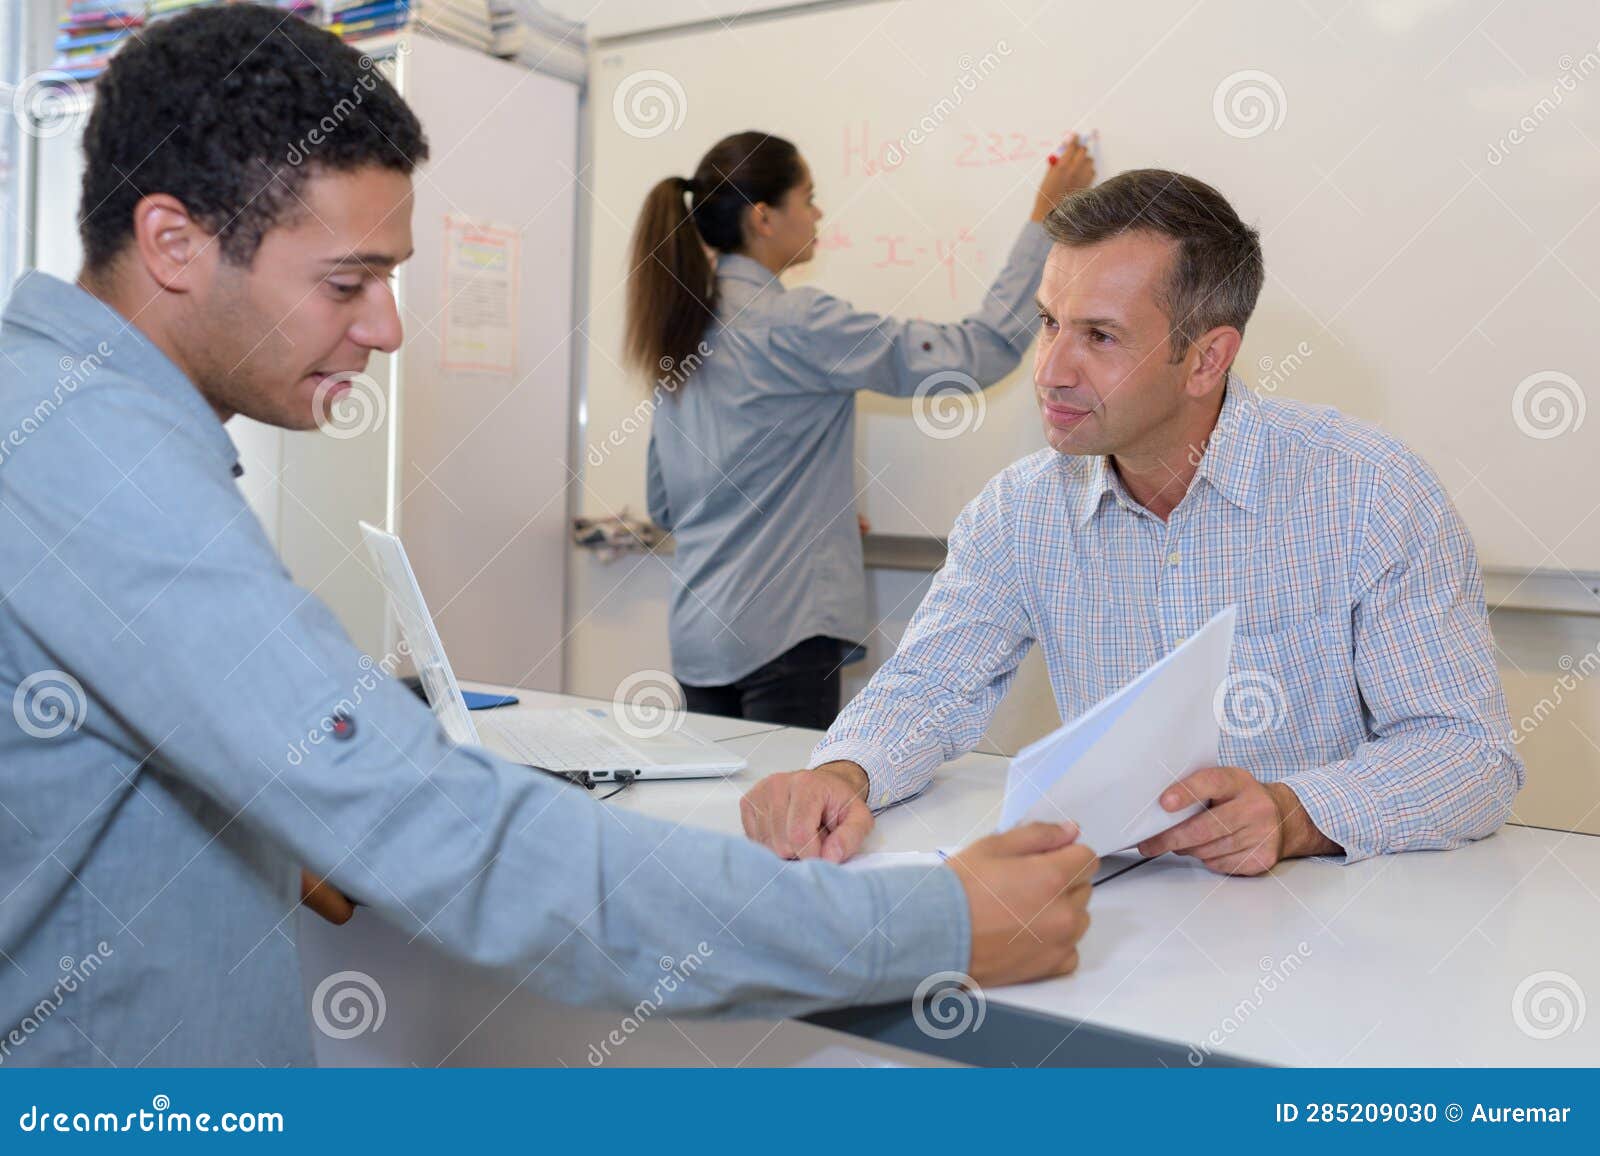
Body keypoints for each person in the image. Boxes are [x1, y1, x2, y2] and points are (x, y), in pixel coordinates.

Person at [0, 5, 1096, 1066]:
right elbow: (467, 846)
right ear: (174, 241)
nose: (385, 327)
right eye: (352, 280)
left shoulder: (58, 417)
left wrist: (274, 825)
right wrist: (932, 923)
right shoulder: (91, 466)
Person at [739, 169, 1524, 872]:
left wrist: (1294, 815)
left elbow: (1468, 754)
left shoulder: (1368, 492)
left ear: (1208, 359)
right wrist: (844, 772)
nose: (1050, 370)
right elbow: (929, 688)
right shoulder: (1020, 511)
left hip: (1332, 927)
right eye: (1049, 323)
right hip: (1122, 921)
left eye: (1100, 337)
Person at [628, 130, 1094, 728]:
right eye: (809, 197)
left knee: (725, 818)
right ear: (764, 217)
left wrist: (809, 510)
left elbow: (666, 505)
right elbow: (980, 352)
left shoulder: (680, 327)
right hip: (783, 637)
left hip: (699, 643)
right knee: (793, 817)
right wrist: (1046, 220)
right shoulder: (797, 322)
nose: (820, 213)